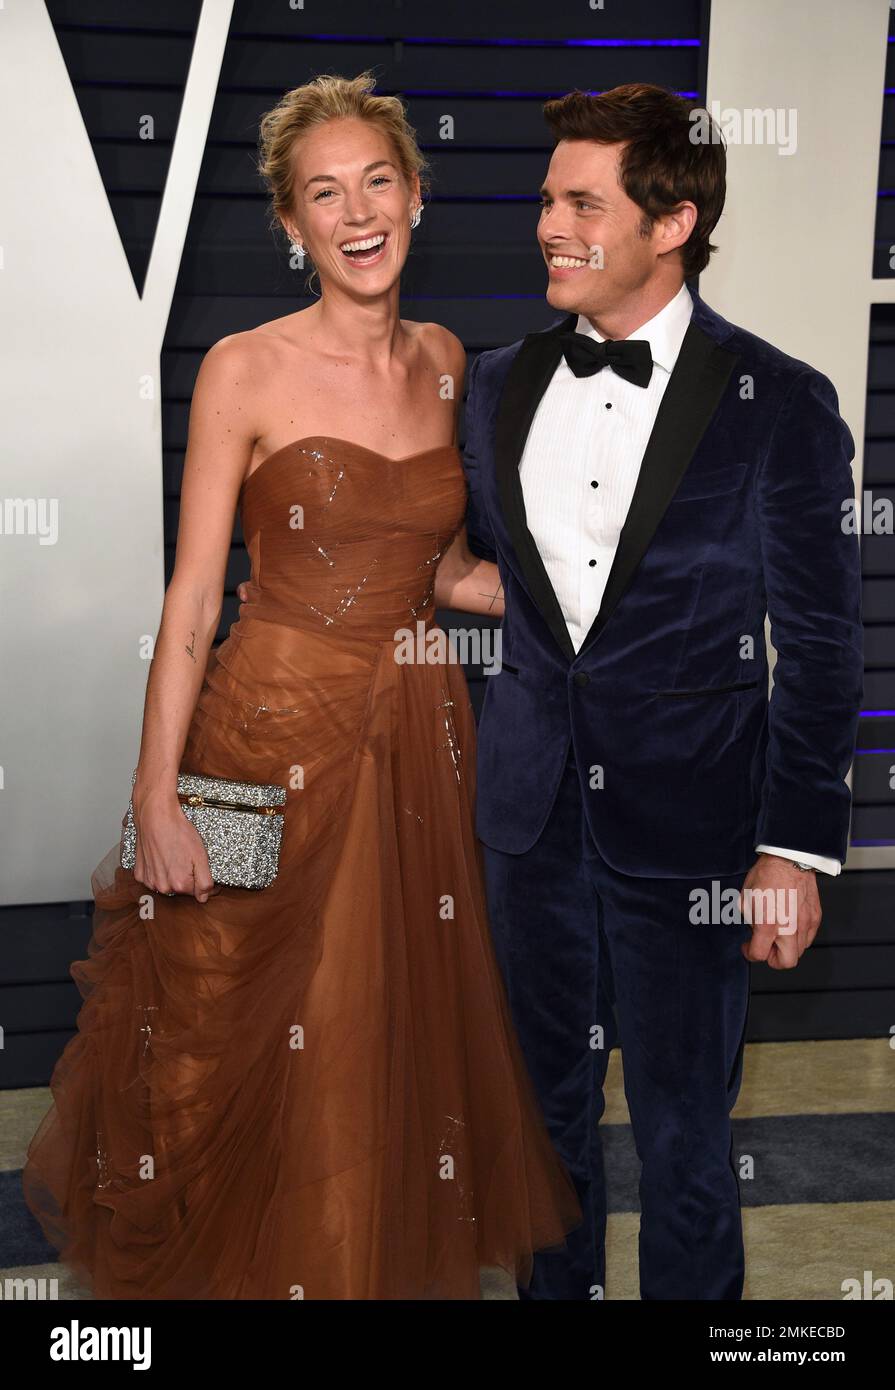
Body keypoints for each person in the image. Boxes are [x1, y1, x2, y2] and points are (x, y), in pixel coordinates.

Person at [22, 71, 581, 1301]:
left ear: (418, 196)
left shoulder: (449, 364)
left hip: (415, 747)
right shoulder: (243, 367)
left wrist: (591, 584)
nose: (357, 210)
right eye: (323, 194)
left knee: (369, 1056)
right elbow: (187, 606)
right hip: (255, 742)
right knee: (222, 1041)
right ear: (290, 227)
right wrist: (156, 797)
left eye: (377, 180)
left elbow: (436, 567)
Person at [460, 82, 863, 1300]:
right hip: (529, 825)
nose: (547, 223)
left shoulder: (778, 401)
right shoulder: (495, 385)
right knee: (540, 1132)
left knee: (689, 1139)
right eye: (545, 199)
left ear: (671, 220)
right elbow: (508, 574)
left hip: (695, 833)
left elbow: (824, 638)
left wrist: (791, 848)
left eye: (581, 201)